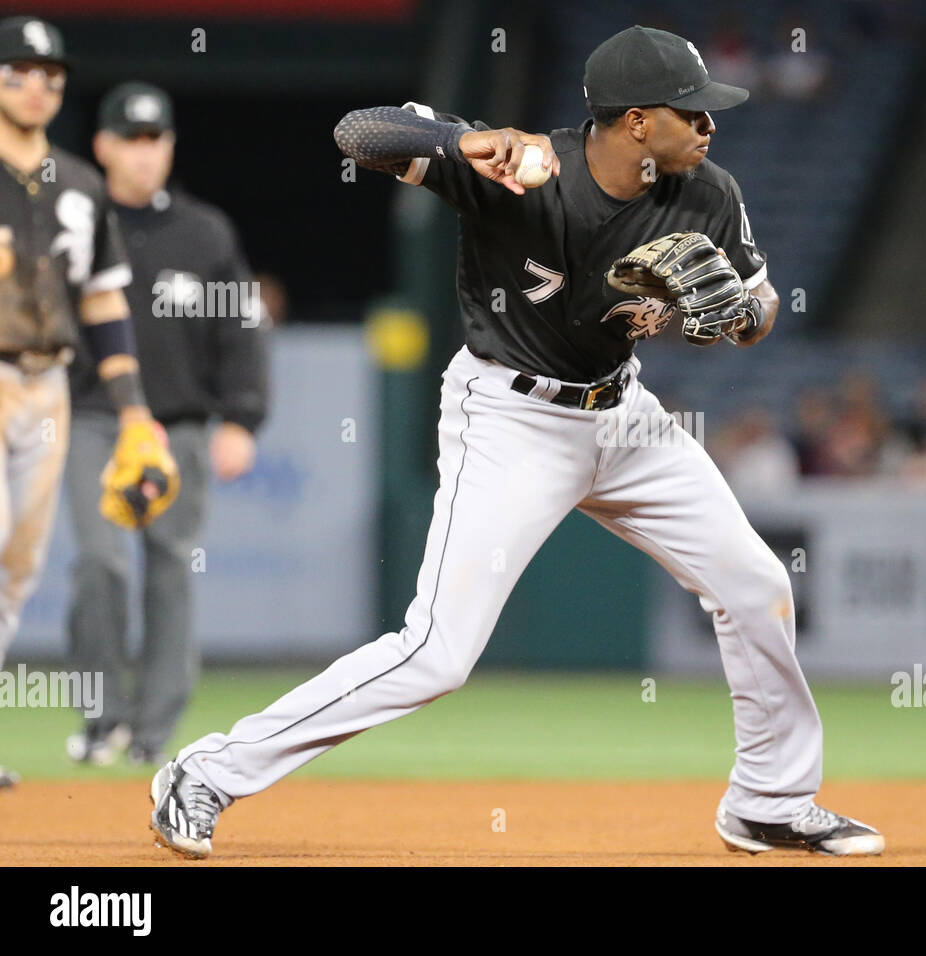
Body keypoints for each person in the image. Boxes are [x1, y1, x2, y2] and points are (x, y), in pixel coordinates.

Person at [148, 25, 885, 859]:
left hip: (625, 415)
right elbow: (357, 131)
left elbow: (757, 313)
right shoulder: (521, 170)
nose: (711, 125)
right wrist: (465, 142)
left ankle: (770, 799)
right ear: (637, 122)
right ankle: (207, 771)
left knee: (755, 584)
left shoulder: (708, 192)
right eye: (693, 112)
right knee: (437, 654)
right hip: (512, 418)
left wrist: (727, 320)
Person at [63, 82, 269, 768]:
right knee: (98, 561)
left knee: (170, 568)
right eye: (131, 139)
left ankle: (150, 734)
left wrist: (242, 417)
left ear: (170, 146)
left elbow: (243, 330)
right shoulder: (80, 226)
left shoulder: (204, 232)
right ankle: (102, 722)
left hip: (179, 425)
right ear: (103, 146)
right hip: (93, 419)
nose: (144, 153)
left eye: (155, 139)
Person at [0, 17, 177, 788]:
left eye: (50, 71)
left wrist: (134, 409)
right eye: (19, 69)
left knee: (18, 568)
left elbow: (105, 304)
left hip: (50, 387)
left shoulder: (76, 184)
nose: (37, 83)